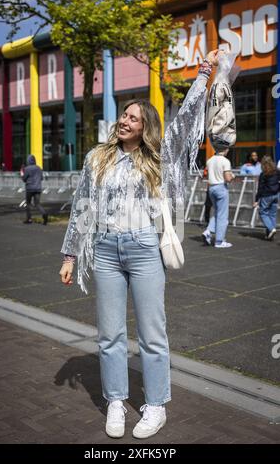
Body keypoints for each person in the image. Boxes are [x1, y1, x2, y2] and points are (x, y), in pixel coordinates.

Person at [59, 50, 220, 439]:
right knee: (110, 332)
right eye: (123, 115)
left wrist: (204, 73)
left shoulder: (158, 159)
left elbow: (183, 125)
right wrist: (69, 254)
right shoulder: (98, 158)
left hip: (146, 248)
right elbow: (83, 204)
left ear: (145, 125)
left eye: (132, 117)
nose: (124, 121)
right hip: (107, 250)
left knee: (152, 333)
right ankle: (116, 400)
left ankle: (156, 405)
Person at [202, 149, 235, 248]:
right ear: (224, 150)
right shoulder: (225, 161)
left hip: (211, 188)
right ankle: (219, 241)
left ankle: (208, 231)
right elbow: (228, 178)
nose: (228, 150)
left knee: (217, 212)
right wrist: (233, 175)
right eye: (227, 148)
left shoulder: (210, 160)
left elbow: (207, 174)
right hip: (221, 187)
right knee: (222, 216)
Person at [253, 155, 280, 240]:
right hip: (276, 194)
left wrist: (256, 200)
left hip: (266, 195)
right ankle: (269, 235)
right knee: (272, 214)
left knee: (263, 213)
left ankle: (271, 229)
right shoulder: (277, 171)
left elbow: (260, 188)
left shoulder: (263, 174)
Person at [22, 154, 48, 225]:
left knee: (28, 204)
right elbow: (41, 178)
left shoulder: (27, 169)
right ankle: (44, 213)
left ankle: (29, 219)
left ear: (28, 161)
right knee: (37, 204)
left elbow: (24, 179)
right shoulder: (39, 168)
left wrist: (22, 174)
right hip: (38, 188)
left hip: (30, 188)